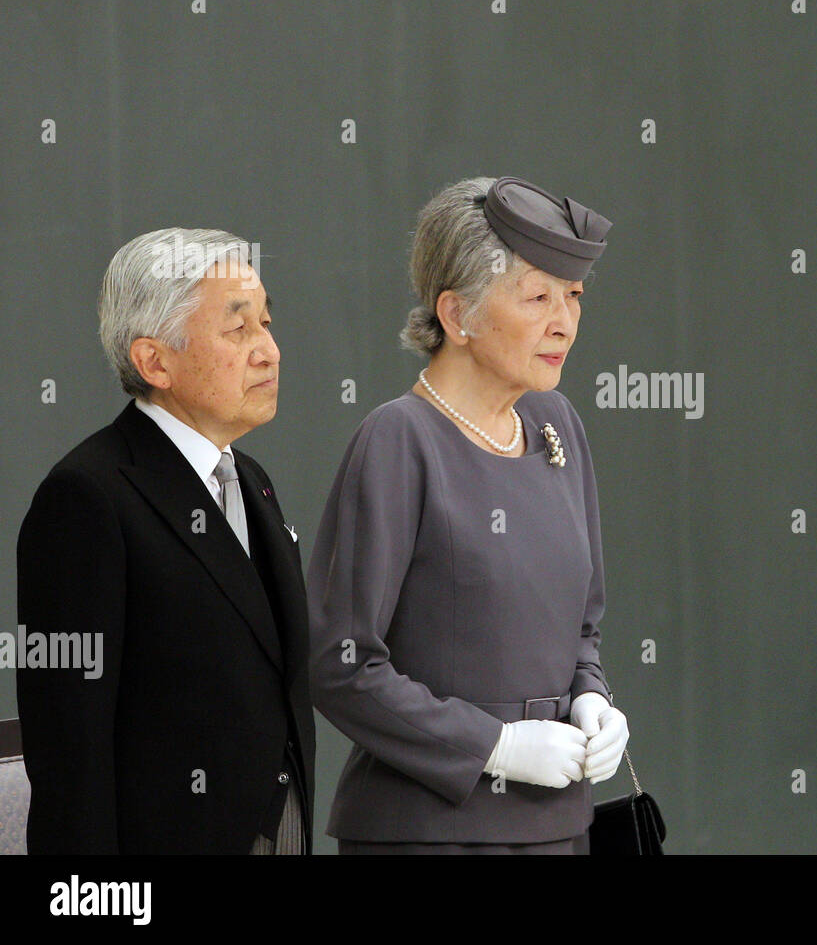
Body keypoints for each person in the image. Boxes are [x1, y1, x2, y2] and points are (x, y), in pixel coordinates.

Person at [308, 175, 630, 854]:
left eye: (573, 296)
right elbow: (340, 664)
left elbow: (583, 627)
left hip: (560, 827)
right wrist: (496, 746)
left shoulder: (556, 425)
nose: (565, 321)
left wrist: (592, 698)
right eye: (538, 295)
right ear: (456, 316)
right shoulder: (398, 440)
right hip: (432, 834)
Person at [16, 229, 315, 854]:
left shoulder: (250, 480)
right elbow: (69, 747)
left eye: (266, 322)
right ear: (155, 361)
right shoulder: (87, 496)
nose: (270, 350)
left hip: (281, 829)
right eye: (238, 331)